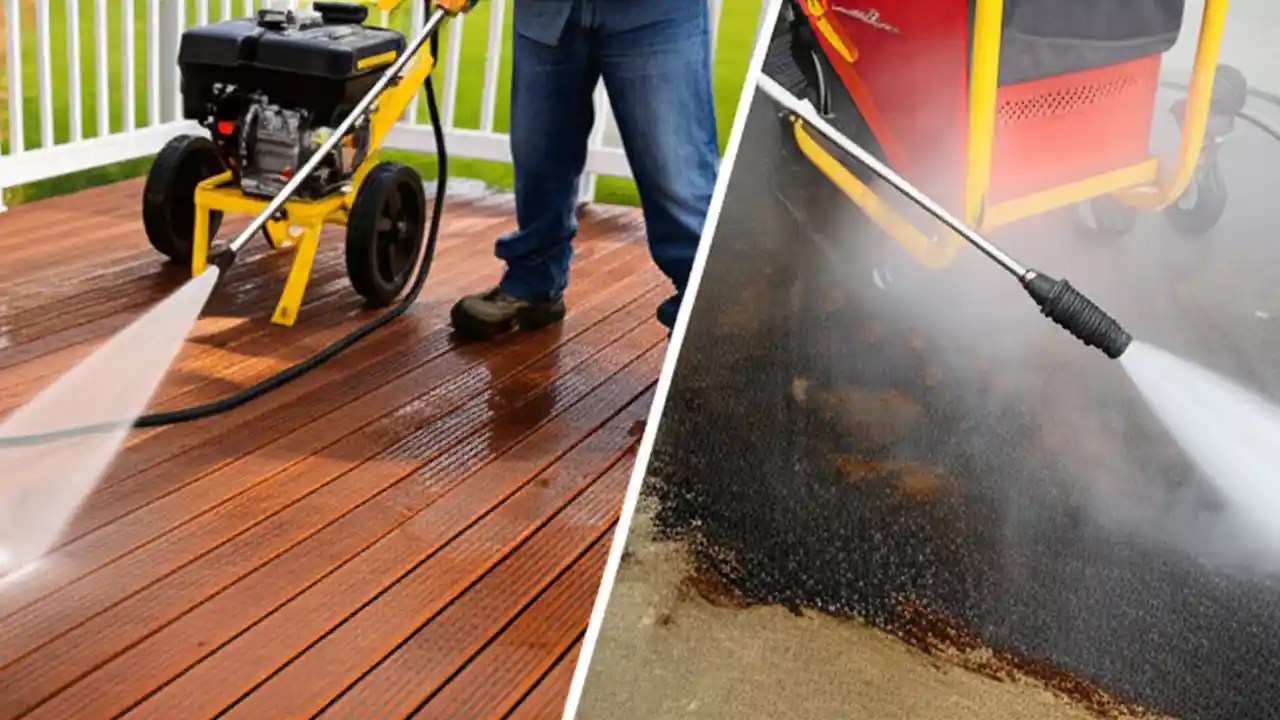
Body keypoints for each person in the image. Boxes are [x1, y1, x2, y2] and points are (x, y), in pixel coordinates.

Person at [449, 0, 720, 340]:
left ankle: (704, 322)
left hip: (654, 14)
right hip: (546, 12)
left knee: (676, 175)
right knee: (538, 158)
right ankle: (534, 283)